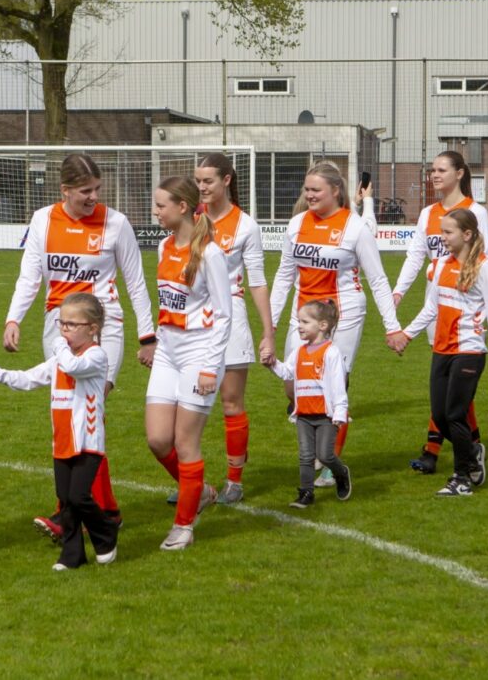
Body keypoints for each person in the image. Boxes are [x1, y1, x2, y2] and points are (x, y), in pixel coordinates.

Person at [4, 153, 155, 539]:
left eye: (97, 189)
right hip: (59, 327)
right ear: (65, 190)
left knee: (90, 414)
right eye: (85, 191)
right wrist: (13, 319)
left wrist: (148, 336)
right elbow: (29, 276)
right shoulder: (43, 220)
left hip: (105, 327)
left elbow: (136, 282)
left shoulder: (115, 223)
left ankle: (68, 514)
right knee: (69, 415)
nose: (93, 197)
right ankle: (106, 511)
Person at [270, 162, 403, 486]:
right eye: (307, 189)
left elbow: (378, 279)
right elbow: (284, 276)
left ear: (335, 190)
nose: (309, 194)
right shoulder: (296, 224)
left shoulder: (354, 228)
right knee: (293, 384)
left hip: (344, 314)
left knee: (334, 384)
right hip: (303, 314)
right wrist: (269, 324)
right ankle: (315, 424)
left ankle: (331, 461)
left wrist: (392, 325)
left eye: (316, 189)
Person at [0, 293, 119, 571]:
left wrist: (58, 345)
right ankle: (72, 555)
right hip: (62, 440)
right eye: (62, 323)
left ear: (93, 329)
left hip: (87, 440)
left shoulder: (95, 356)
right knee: (65, 498)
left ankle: (106, 531)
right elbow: (28, 378)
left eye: (72, 324)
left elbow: (73, 366)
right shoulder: (61, 358)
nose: (64, 330)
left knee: (79, 496)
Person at [391, 209, 488, 497]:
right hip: (441, 350)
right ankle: (472, 454)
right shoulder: (442, 263)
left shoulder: (483, 268)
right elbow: (431, 308)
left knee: (456, 414)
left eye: (447, 232)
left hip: (469, 350)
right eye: (441, 231)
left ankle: (462, 479)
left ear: (466, 234)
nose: (441, 237)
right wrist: (407, 334)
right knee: (441, 416)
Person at [144, 176, 232, 551]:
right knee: (157, 439)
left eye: (160, 205)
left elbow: (224, 315)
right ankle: (202, 492)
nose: (155, 211)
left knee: (185, 442)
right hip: (168, 351)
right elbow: (168, 302)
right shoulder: (164, 246)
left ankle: (183, 526)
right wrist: (153, 341)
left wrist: (211, 367)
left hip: (200, 352)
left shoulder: (211, 254)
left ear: (182, 207)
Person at [392, 151, 488, 475]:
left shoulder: (476, 212)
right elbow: (414, 256)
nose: (434, 175)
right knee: (449, 388)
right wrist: (398, 291)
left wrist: (483, 315)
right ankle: (469, 447)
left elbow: (485, 263)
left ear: (460, 173)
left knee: (456, 387)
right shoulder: (427, 214)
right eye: (432, 170)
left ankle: (435, 450)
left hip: (465, 313)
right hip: (436, 307)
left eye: (441, 170)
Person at [195, 152, 275, 504]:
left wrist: (268, 333)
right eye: (198, 181)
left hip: (232, 320)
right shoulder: (190, 217)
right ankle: (192, 482)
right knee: (190, 405)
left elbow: (257, 281)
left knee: (230, 403)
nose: (201, 187)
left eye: (208, 181)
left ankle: (234, 480)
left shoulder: (245, 226)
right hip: (193, 322)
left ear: (226, 180)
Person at [264, 299, 350, 508]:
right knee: (306, 456)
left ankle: (341, 473)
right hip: (303, 415)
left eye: (305, 322)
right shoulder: (299, 351)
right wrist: (271, 363)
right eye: (299, 322)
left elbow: (338, 386)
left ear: (322, 325)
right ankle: (306, 493)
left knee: (325, 455)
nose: (299, 326)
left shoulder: (331, 352)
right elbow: (287, 372)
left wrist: (340, 413)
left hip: (326, 417)